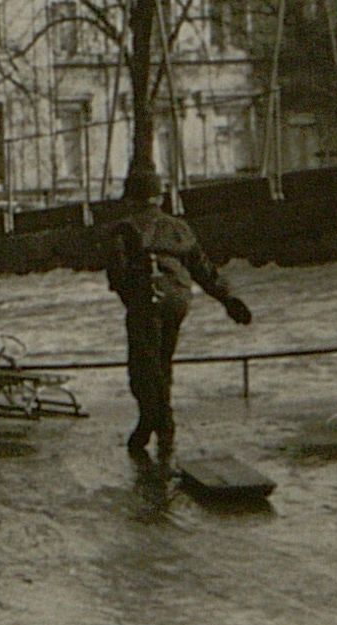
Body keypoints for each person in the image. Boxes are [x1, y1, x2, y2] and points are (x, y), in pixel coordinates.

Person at [104, 172, 253, 455]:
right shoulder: (179, 228)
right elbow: (202, 268)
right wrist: (228, 298)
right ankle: (161, 422)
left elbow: (117, 272)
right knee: (163, 360)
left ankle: (156, 420)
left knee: (142, 368)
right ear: (159, 197)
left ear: (130, 198)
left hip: (147, 298)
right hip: (179, 299)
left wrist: (130, 297)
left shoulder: (123, 229)